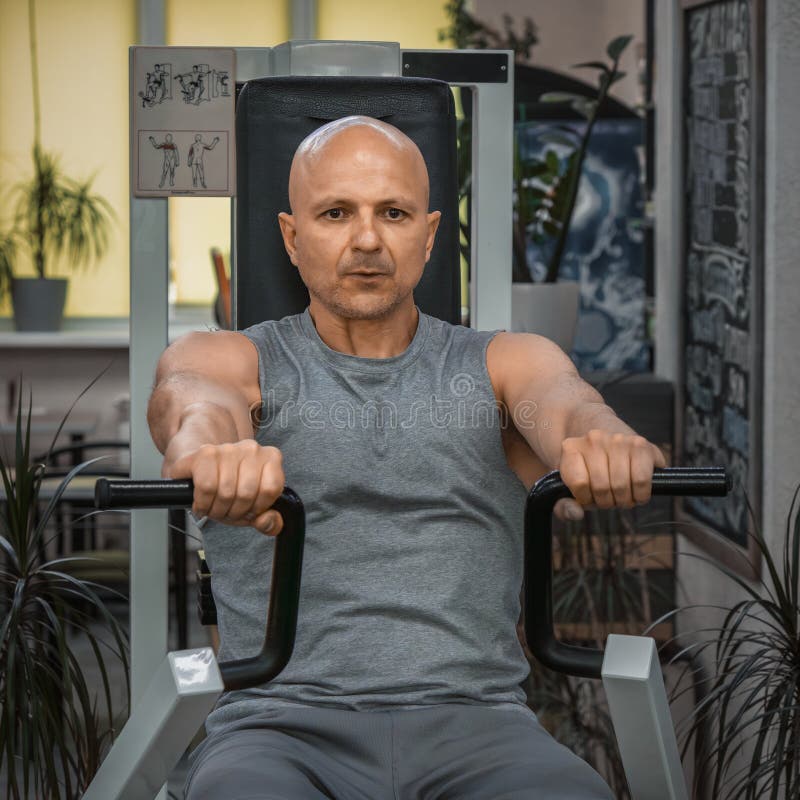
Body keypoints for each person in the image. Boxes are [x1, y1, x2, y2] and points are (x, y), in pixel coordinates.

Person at [148, 116, 665, 799]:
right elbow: (195, 402)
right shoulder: (234, 359)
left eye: (392, 212)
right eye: (335, 213)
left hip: (481, 729)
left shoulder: (504, 365)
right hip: (277, 732)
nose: (366, 239)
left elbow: (564, 407)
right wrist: (209, 453)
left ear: (428, 235)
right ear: (292, 237)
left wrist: (601, 441)